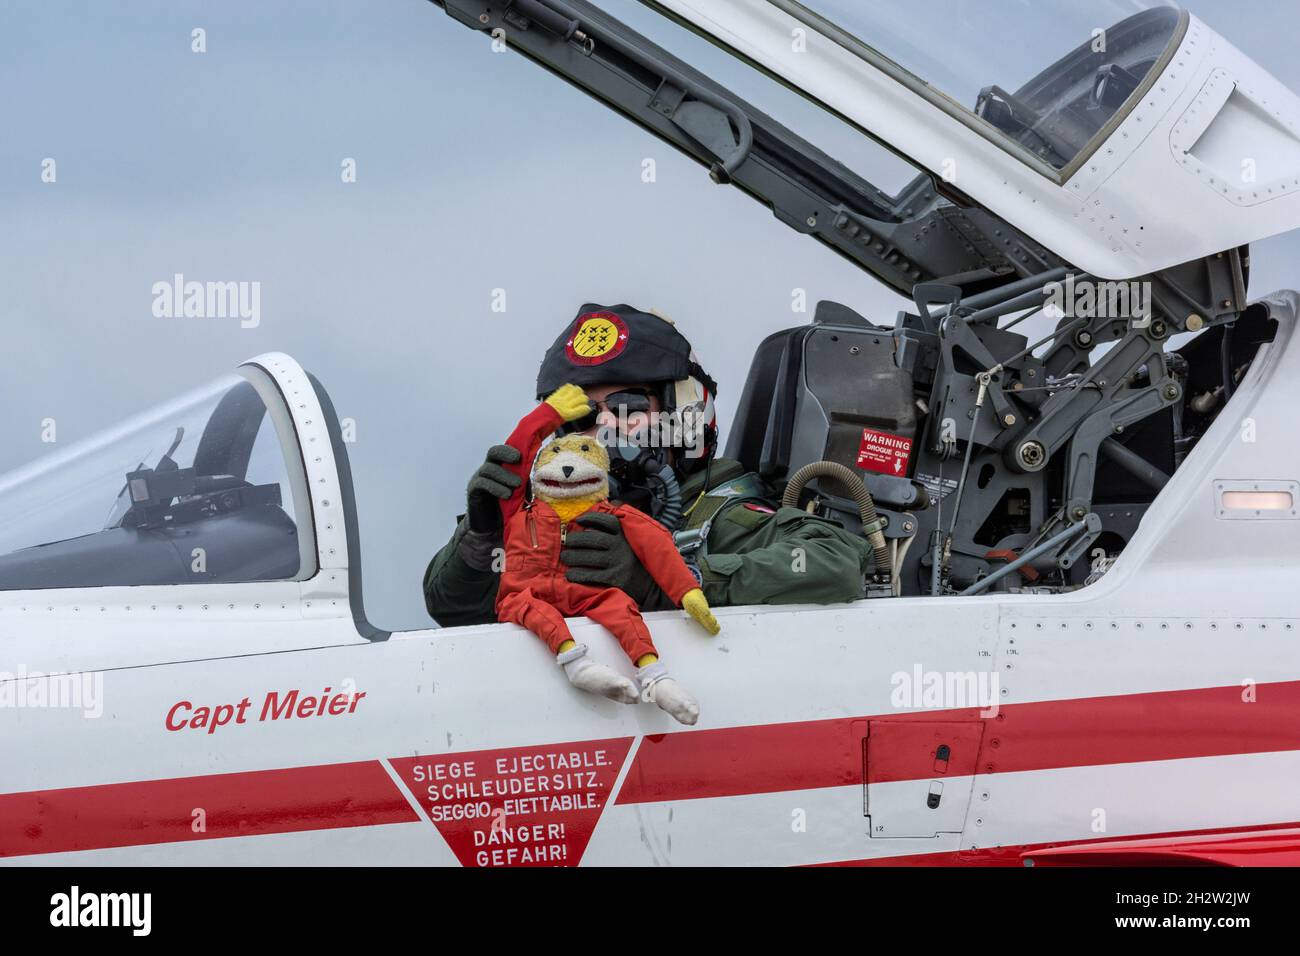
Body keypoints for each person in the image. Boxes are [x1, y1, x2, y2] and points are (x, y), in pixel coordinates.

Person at [423, 303, 873, 627]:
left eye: (627, 404)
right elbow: (454, 610)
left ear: (684, 409)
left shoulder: (722, 511)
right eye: (578, 414)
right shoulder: (547, 525)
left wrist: (664, 580)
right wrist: (483, 538)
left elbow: (835, 562)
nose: (601, 424)